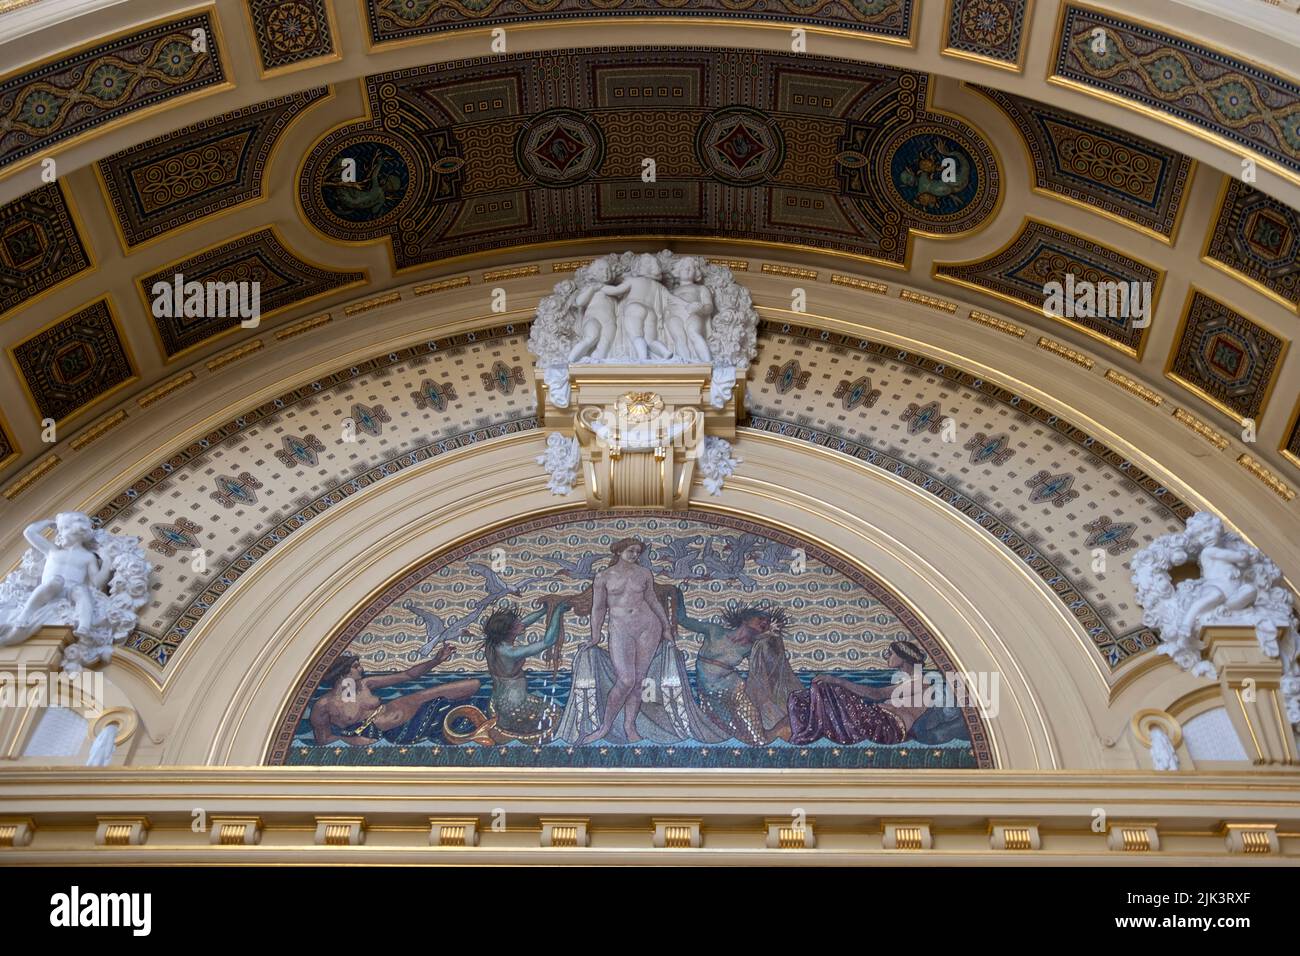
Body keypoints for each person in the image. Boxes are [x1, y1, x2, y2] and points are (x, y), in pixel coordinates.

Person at [576, 538, 674, 744]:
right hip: (621, 629)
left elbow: (653, 600)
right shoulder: (603, 576)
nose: (635, 555)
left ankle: (630, 726)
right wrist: (595, 635)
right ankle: (605, 727)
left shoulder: (644, 574)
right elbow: (599, 608)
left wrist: (666, 626)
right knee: (626, 679)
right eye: (631, 551)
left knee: (638, 681)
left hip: (648, 626)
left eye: (638, 552)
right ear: (619, 551)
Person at [673, 591, 799, 744]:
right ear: (746, 619)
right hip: (708, 695)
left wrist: (773, 638)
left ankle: (786, 723)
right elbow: (683, 620)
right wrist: (677, 592)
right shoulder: (715, 631)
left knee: (758, 740)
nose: (764, 623)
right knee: (725, 735)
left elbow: (773, 662)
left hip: (735, 692)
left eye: (766, 622)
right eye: (760, 618)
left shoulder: (753, 646)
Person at [309, 643, 479, 746]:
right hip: (394, 729)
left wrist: (437, 660)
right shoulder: (324, 705)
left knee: (472, 685)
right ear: (341, 673)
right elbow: (323, 739)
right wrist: (349, 740)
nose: (361, 669)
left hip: (406, 704)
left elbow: (408, 675)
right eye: (355, 666)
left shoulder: (365, 684)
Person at [788, 641, 931, 745]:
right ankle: (802, 734)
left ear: (904, 657)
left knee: (827, 687)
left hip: (889, 728)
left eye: (891, 653)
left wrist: (837, 680)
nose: (887, 657)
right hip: (877, 718)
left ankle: (808, 734)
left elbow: (878, 694)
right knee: (798, 698)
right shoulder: (909, 680)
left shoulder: (920, 682)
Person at [483, 600, 572, 738]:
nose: (521, 623)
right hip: (514, 704)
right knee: (557, 714)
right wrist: (557, 612)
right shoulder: (511, 652)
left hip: (497, 702)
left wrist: (544, 610)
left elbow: (524, 623)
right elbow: (549, 641)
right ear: (509, 631)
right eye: (516, 624)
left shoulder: (491, 644)